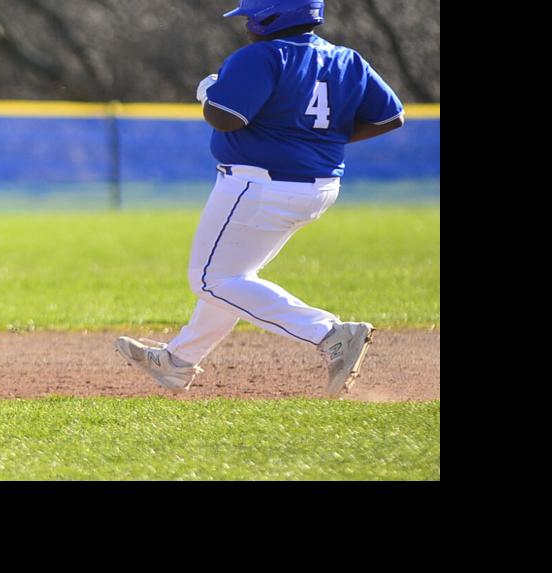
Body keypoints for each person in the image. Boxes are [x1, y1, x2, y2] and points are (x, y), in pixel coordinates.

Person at [115, 0, 404, 398]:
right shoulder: (346, 59)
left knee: (209, 279)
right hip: (317, 188)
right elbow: (391, 116)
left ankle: (330, 334)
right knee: (233, 277)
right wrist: (319, 139)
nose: (247, 24)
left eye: (252, 16)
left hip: (258, 186)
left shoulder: (262, 55)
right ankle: (177, 362)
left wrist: (209, 93)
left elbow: (225, 117)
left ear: (273, 17)